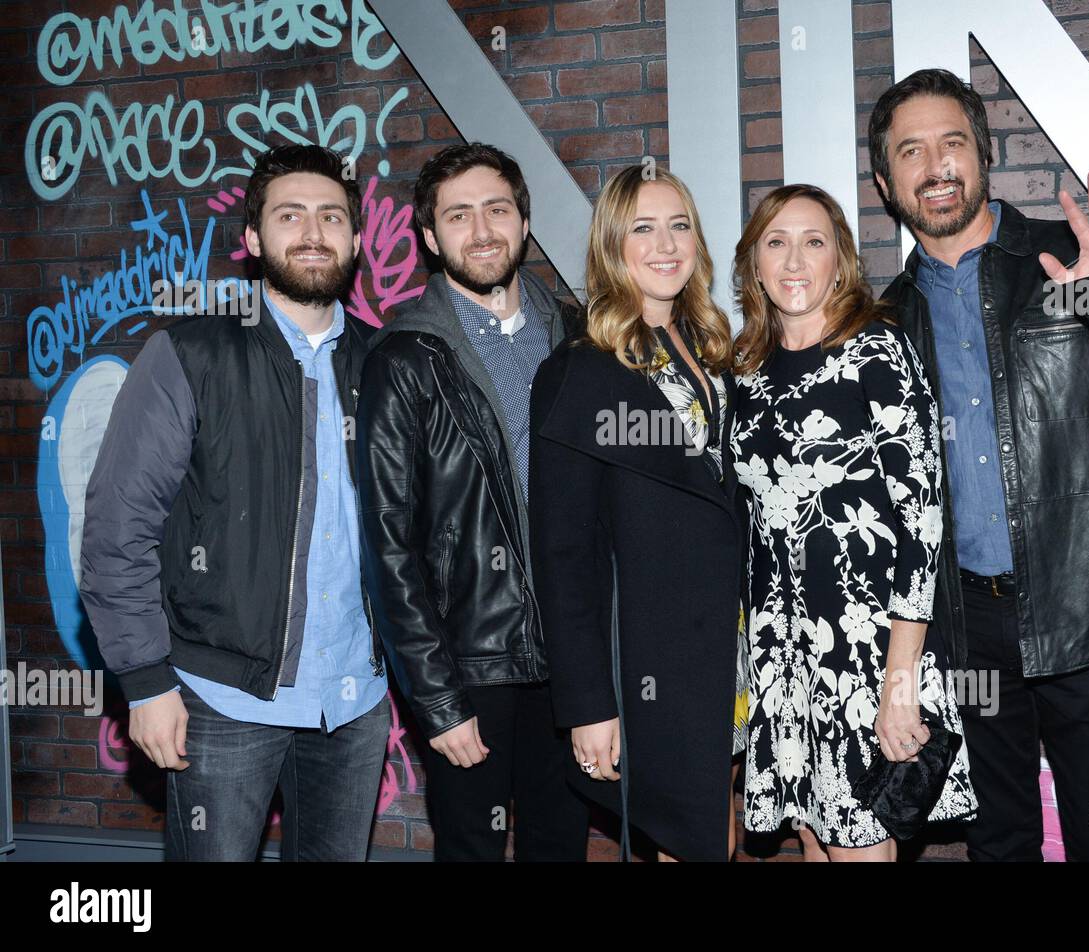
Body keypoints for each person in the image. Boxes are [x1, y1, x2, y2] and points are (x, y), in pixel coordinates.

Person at [867, 68, 1089, 861]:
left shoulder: (1069, 262)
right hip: (966, 627)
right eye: (911, 151)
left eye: (952, 142)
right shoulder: (883, 321)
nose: (936, 164)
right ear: (887, 182)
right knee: (1000, 844)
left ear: (982, 154)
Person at [79, 143, 390, 861]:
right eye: (290, 216)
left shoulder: (388, 362)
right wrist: (147, 681)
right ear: (252, 240)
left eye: (331, 216)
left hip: (356, 701)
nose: (313, 232)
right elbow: (117, 530)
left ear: (355, 236)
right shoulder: (188, 355)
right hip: (220, 700)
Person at [731, 184, 978, 862]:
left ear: (840, 261)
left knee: (860, 849)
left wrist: (901, 682)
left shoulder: (876, 352)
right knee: (813, 845)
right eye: (775, 242)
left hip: (867, 660)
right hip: (782, 661)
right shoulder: (744, 373)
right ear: (753, 262)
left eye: (814, 242)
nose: (794, 260)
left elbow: (923, 522)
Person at [357, 142, 589, 862]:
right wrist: (438, 700)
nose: (481, 229)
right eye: (458, 215)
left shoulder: (578, 338)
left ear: (523, 221)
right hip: (472, 664)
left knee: (562, 846)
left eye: (497, 209)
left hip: (574, 659)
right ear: (430, 238)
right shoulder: (405, 356)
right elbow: (388, 545)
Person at [529, 165, 745, 862]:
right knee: (689, 837)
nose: (665, 243)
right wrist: (588, 703)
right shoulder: (580, 370)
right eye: (643, 228)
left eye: (679, 225)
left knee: (720, 828)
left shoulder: (714, 351)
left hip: (726, 651)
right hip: (648, 662)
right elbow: (561, 557)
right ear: (612, 246)